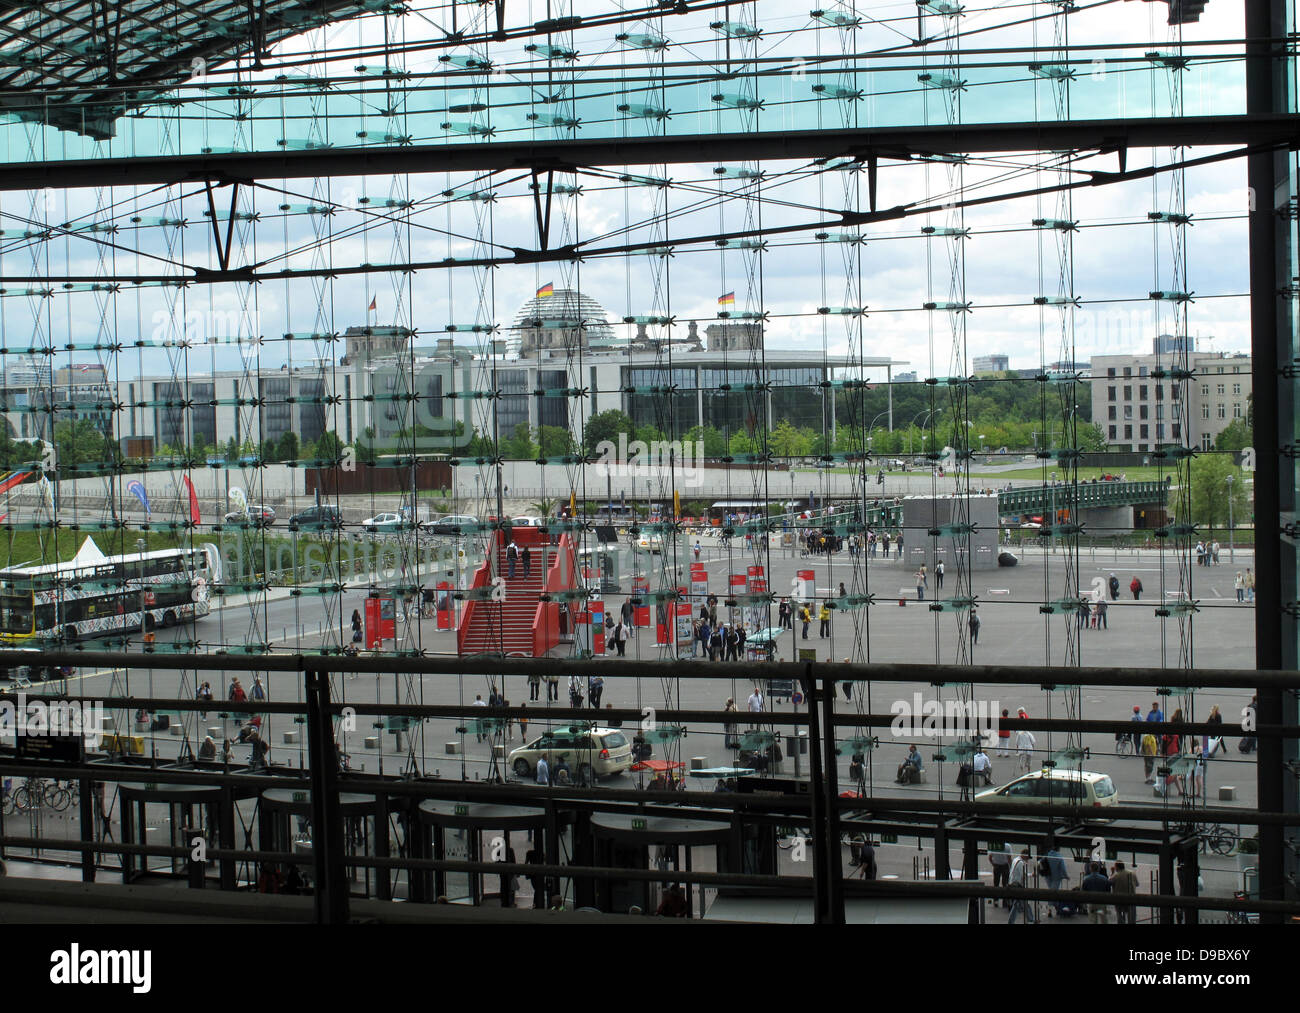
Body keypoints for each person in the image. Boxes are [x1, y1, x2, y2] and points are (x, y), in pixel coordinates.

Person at [1008, 849, 1037, 924]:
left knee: (1016, 905)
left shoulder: (1015, 860)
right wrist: (1031, 875)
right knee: (1024, 903)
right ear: (1024, 855)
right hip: (1017, 885)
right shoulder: (1021, 863)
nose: (1028, 859)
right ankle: (1031, 920)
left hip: (1012, 883)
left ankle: (1011, 921)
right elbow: (1023, 875)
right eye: (1027, 857)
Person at [1043, 843, 1069, 916]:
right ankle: (1051, 910)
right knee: (1053, 893)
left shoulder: (1047, 854)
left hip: (1047, 876)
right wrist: (1066, 876)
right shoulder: (1059, 857)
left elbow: (1041, 863)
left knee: (1052, 892)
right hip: (1056, 877)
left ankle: (1056, 907)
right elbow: (1063, 868)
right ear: (1058, 849)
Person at [1110, 860, 1139, 924]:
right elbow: (1137, 884)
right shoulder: (1132, 873)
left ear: (1117, 867)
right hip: (1131, 898)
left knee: (1119, 915)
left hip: (1119, 899)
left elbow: (1109, 882)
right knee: (1131, 916)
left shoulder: (1116, 875)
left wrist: (1112, 872)